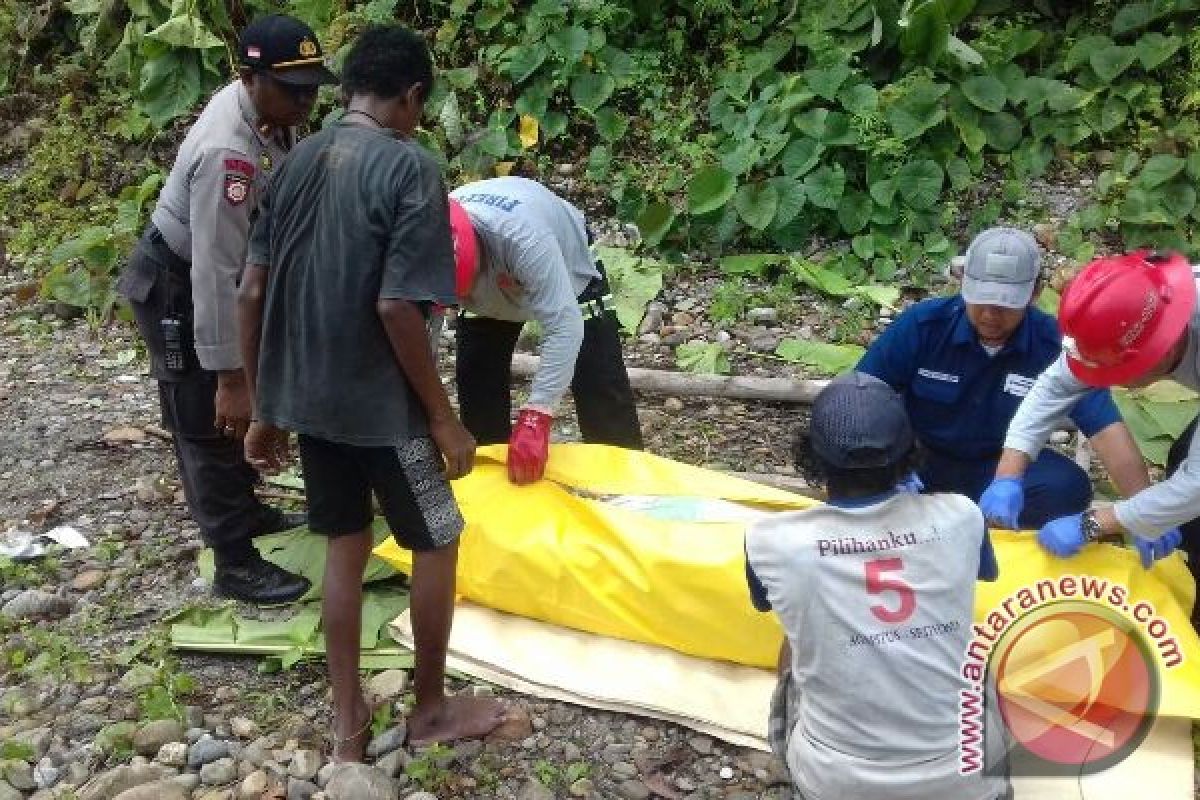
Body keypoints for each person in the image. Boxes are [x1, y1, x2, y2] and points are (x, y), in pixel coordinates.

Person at [237, 25, 507, 761]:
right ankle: (430, 709)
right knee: (437, 539)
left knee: (345, 547)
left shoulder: (294, 161)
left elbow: (252, 290)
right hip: (384, 408)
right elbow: (396, 308)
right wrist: (444, 418)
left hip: (308, 401)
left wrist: (265, 408)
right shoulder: (410, 167)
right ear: (412, 95)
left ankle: (347, 722)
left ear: (352, 86)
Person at [115, 14, 337, 604]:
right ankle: (234, 561)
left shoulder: (268, 113)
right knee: (208, 418)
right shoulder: (227, 156)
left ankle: (247, 511)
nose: (305, 102)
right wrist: (231, 376)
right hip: (180, 285)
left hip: (227, 276)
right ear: (249, 77)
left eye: (312, 88)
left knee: (240, 404)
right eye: (293, 89)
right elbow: (212, 273)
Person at [744, 372, 1006, 800]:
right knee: (977, 652)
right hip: (966, 775)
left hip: (838, 783)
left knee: (797, 639)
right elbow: (977, 575)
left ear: (811, 457)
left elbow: (776, 609)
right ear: (910, 453)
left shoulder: (771, 540)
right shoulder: (961, 515)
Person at [857, 227, 1148, 528]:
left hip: (1000, 468)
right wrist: (890, 462)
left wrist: (1143, 512)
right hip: (920, 461)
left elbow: (1105, 428)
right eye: (981, 301)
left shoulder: (1052, 344)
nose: (990, 315)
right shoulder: (923, 325)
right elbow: (858, 397)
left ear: (1034, 293)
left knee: (1067, 487)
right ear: (963, 282)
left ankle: (982, 525)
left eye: (1006, 305)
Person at [986, 250, 1191, 583]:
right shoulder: (1138, 310)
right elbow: (1056, 386)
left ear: (1161, 351)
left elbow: (1195, 485)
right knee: (1180, 472)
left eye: (1119, 372)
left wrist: (1095, 524)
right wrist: (1007, 476)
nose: (1112, 382)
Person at [446, 177, 642, 485]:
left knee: (599, 377)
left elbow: (564, 327)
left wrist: (537, 415)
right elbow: (420, 333)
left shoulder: (525, 241)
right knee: (476, 377)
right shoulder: (424, 239)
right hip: (478, 272)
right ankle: (489, 485)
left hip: (559, 253)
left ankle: (625, 484)